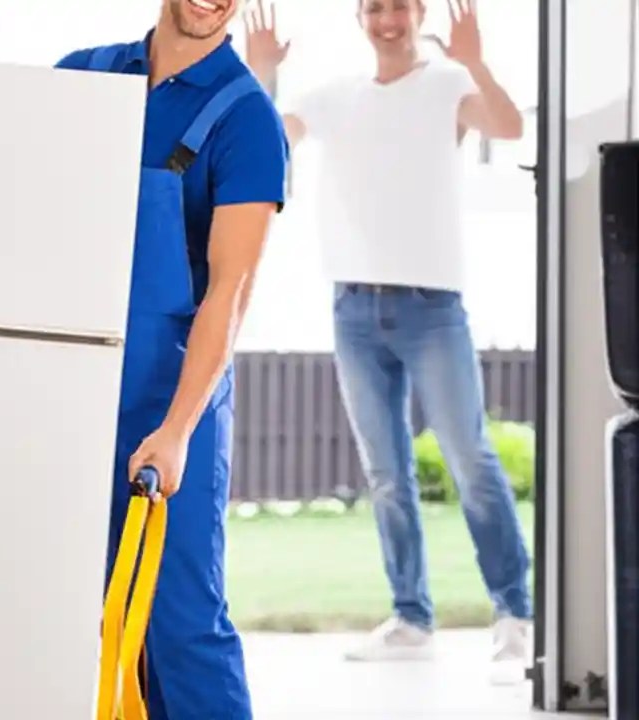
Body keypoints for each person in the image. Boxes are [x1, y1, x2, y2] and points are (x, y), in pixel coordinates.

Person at [244, 0, 533, 665]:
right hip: (352, 310)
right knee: (385, 472)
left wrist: (475, 61)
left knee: (472, 460)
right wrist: (262, 75)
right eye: (375, 7)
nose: (388, 19)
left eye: (399, 6)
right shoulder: (335, 97)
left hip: (433, 308)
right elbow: (265, 143)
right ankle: (411, 617)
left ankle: (516, 614)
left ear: (418, 12)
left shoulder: (447, 84)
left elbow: (510, 127)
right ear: (360, 17)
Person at [58, 0, 288, 716]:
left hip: (166, 400)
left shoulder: (246, 118)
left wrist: (180, 429)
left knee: (176, 621)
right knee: (61, 610)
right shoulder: (82, 78)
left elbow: (230, 291)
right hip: (62, 389)